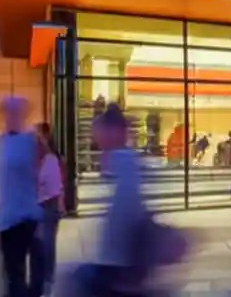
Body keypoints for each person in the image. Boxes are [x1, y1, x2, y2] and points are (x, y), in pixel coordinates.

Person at [72, 103, 153, 295]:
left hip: (119, 264)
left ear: (115, 132)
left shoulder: (123, 161)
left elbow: (127, 211)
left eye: (100, 132)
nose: (96, 138)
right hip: (116, 261)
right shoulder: (115, 161)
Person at [0, 96, 44, 297]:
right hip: (8, 218)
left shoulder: (31, 141)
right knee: (14, 275)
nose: (9, 118)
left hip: (28, 216)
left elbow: (43, 169)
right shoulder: (2, 141)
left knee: (30, 277)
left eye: (14, 113)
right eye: (7, 113)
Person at [34, 124, 66, 295]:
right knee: (37, 247)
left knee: (46, 245)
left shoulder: (51, 160)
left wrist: (59, 204)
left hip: (47, 206)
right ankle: (40, 283)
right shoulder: (32, 163)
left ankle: (47, 282)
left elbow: (55, 188)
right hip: (35, 206)